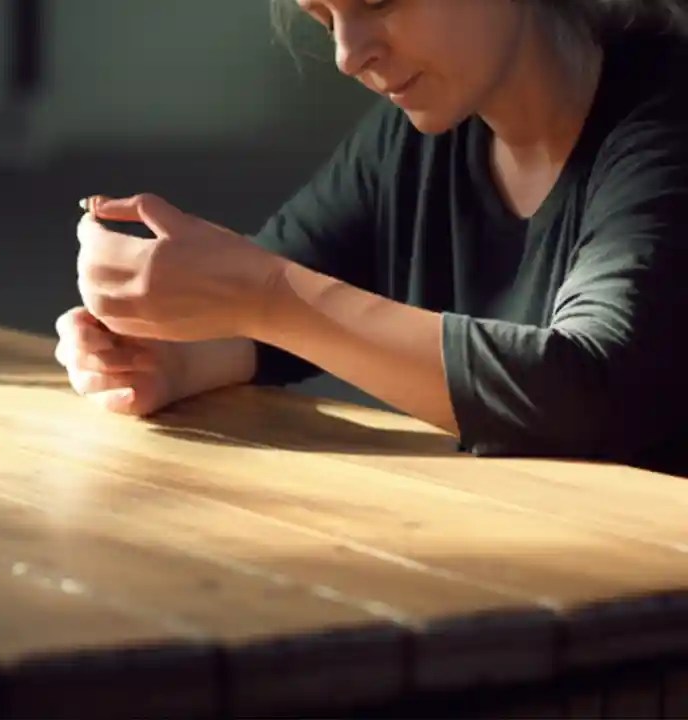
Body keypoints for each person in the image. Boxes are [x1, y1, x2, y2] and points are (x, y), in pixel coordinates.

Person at [54, 0, 688, 475]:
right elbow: (290, 308)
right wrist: (173, 353)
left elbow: (592, 391)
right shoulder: (415, 141)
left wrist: (259, 294)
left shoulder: (665, 121)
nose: (348, 55)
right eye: (326, 17)